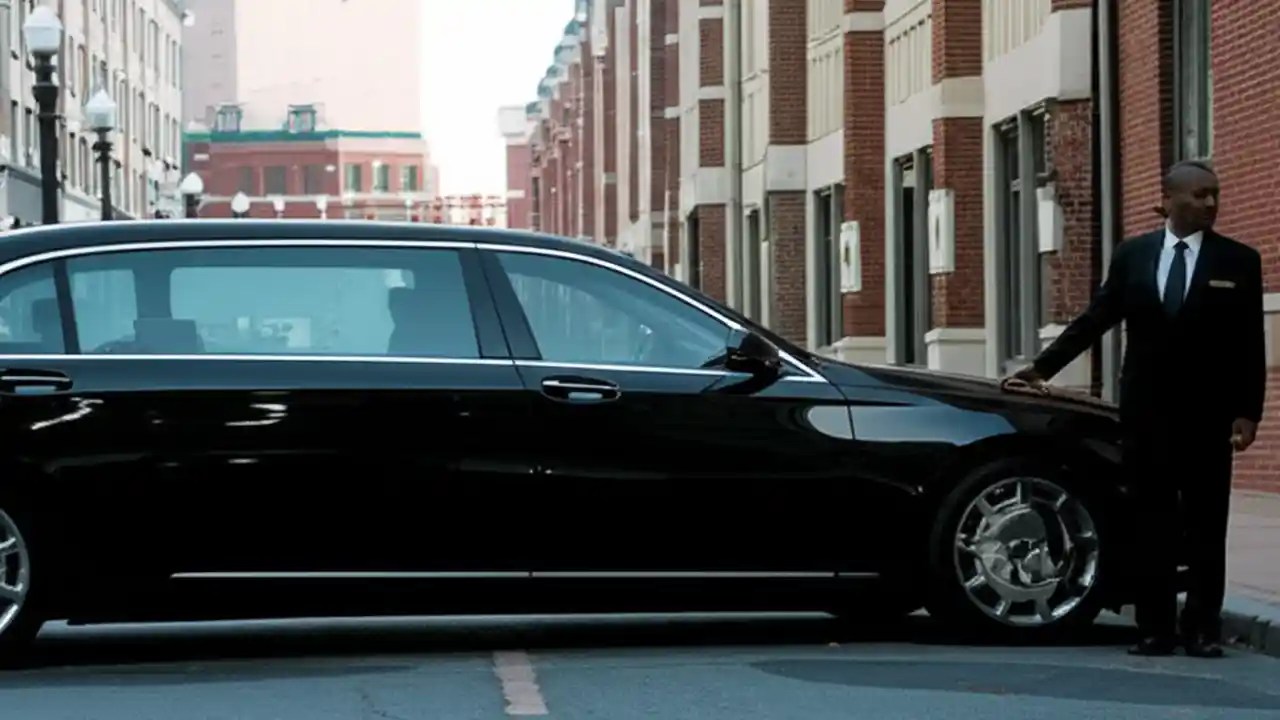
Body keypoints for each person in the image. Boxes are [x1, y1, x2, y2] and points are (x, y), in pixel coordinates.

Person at [1004, 159, 1265, 658]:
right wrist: (1041, 369)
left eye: (1214, 194)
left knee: (1206, 525)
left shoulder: (1239, 261)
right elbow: (1096, 318)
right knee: (1152, 522)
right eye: (1199, 195)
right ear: (1168, 200)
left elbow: (1249, 344)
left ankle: (1202, 629)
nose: (1210, 203)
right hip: (1147, 415)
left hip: (1210, 418)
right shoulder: (1134, 256)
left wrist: (1247, 411)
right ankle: (1155, 628)